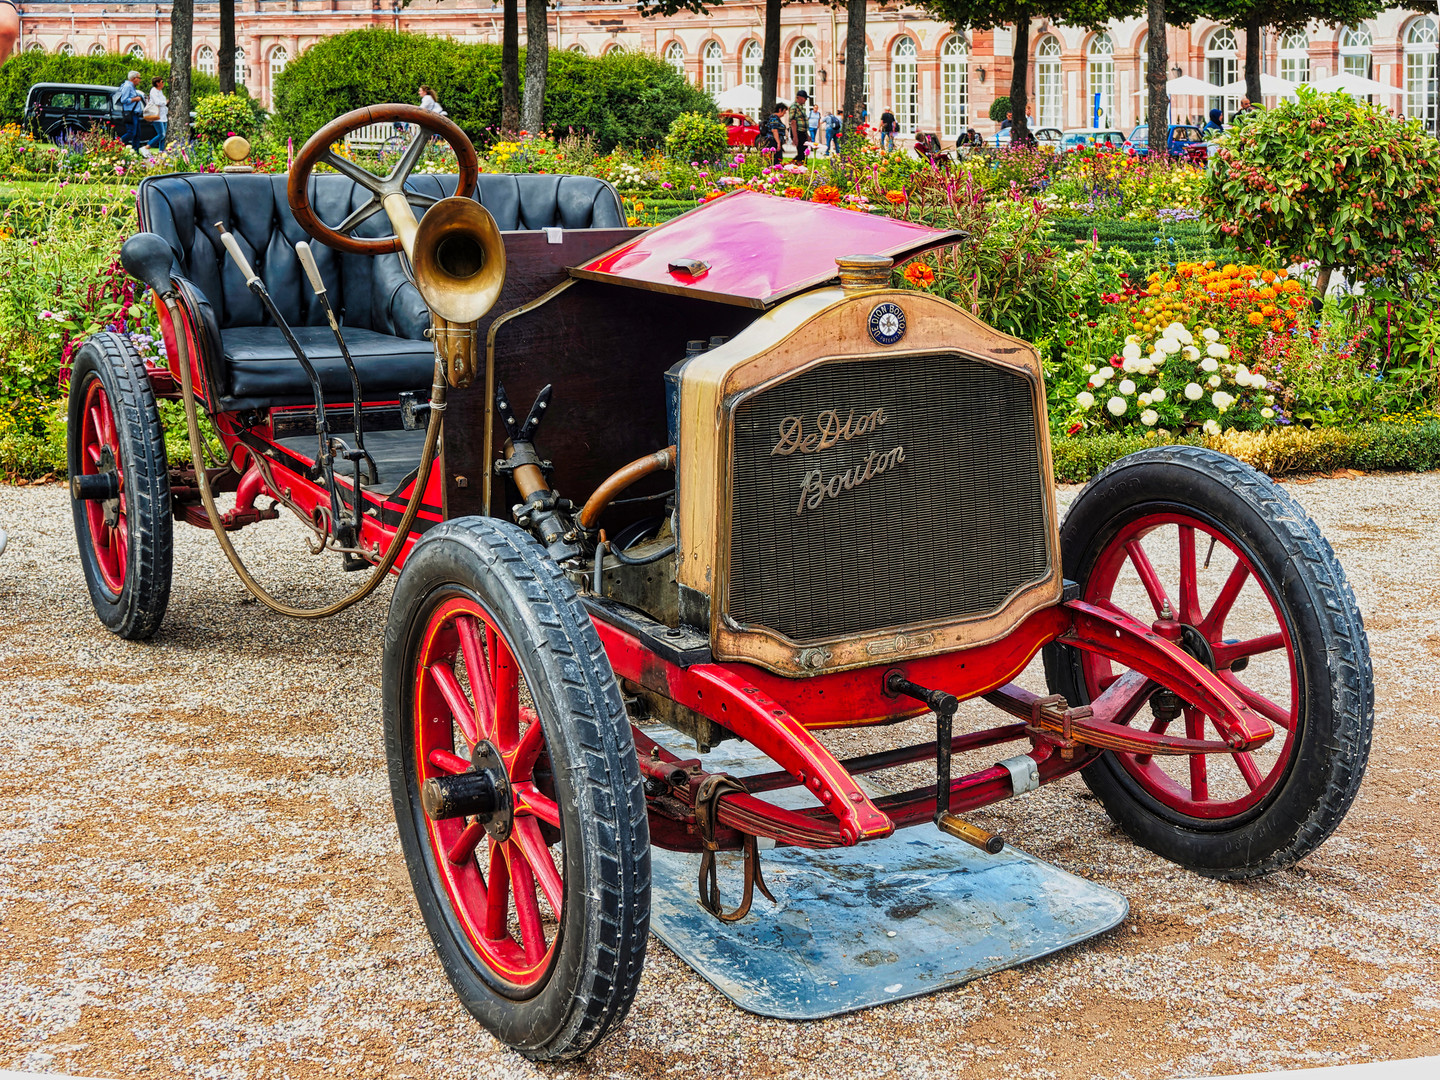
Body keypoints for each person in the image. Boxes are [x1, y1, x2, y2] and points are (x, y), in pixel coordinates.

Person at [117, 70, 144, 153]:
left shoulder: (132, 86)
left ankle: (136, 151)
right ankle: (117, 144)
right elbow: (123, 100)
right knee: (131, 133)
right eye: (139, 78)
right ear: (134, 78)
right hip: (130, 114)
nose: (140, 80)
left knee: (137, 134)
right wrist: (135, 99)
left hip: (135, 114)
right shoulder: (128, 86)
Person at [144, 76, 168, 151]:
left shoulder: (160, 91)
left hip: (163, 116)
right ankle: (147, 147)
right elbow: (157, 102)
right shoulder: (153, 91)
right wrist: (165, 102)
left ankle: (161, 152)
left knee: (164, 137)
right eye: (162, 82)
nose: (163, 83)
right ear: (157, 83)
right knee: (161, 134)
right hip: (156, 116)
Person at [789, 90, 812, 161]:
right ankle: (793, 165)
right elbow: (793, 122)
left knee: (804, 152)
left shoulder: (801, 107)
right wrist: (795, 137)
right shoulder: (794, 107)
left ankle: (801, 166)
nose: (806, 100)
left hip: (803, 132)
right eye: (805, 98)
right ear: (799, 98)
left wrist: (807, 135)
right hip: (798, 132)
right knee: (802, 153)